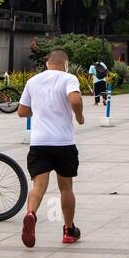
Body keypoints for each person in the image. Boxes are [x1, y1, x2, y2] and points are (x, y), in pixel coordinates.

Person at [18, 48, 84, 247]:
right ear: (66, 63)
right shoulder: (68, 78)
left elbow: (22, 111)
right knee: (66, 187)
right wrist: (79, 117)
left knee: (38, 186)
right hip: (63, 142)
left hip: (39, 142)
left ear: (47, 63)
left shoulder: (33, 81)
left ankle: (30, 214)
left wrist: (39, 109)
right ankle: (69, 230)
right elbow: (75, 99)